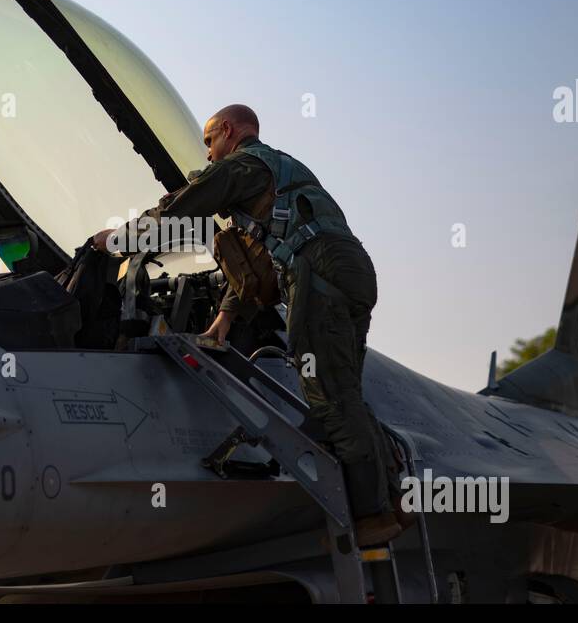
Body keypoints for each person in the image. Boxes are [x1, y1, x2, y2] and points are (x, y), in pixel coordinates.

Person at [92, 104, 404, 545]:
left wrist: (117, 239)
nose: (208, 155)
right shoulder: (281, 170)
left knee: (327, 392)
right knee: (344, 388)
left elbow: (180, 212)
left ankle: (371, 516)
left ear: (227, 130)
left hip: (318, 273)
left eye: (209, 142)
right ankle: (392, 499)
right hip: (349, 268)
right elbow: (265, 255)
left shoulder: (241, 166)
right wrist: (226, 316)